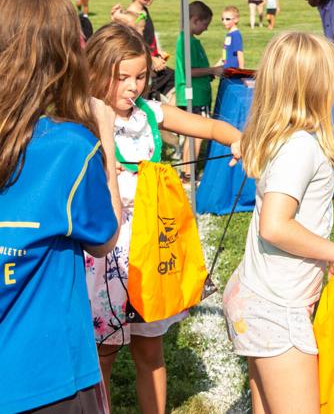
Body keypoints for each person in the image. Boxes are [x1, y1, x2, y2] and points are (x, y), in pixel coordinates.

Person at [222, 11, 334, 413]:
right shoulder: (300, 147)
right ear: (313, 89)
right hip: (276, 308)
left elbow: (321, 88)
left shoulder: (288, 131)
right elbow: (276, 225)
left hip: (260, 297)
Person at [85, 23, 242, 413]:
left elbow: (207, 126)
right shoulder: (84, 120)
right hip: (103, 258)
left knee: (150, 351)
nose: (133, 86)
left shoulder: (150, 114)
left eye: (140, 76)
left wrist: (236, 137)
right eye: (121, 77)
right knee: (103, 353)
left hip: (150, 255)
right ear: (95, 71)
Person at [0, 0, 121, 413]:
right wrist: (102, 135)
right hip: (50, 380)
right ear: (65, 54)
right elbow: (106, 237)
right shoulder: (68, 147)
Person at [175, 1, 223, 179]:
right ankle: (188, 173)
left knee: (193, 134)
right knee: (197, 134)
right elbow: (189, 71)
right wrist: (213, 70)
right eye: (205, 24)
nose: (206, 29)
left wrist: (211, 71)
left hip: (199, 95)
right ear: (195, 20)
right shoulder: (186, 42)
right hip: (193, 96)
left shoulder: (192, 41)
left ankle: (187, 172)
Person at [126, 0, 170, 83]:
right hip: (141, 68)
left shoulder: (144, 11)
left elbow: (147, 38)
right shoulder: (131, 17)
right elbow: (134, 46)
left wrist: (156, 51)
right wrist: (152, 59)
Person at [221, 5, 245, 69]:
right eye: (222, 19)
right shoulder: (228, 35)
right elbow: (224, 55)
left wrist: (241, 70)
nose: (224, 21)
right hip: (225, 71)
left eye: (227, 19)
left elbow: (239, 53)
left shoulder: (236, 35)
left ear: (236, 20)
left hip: (233, 72)